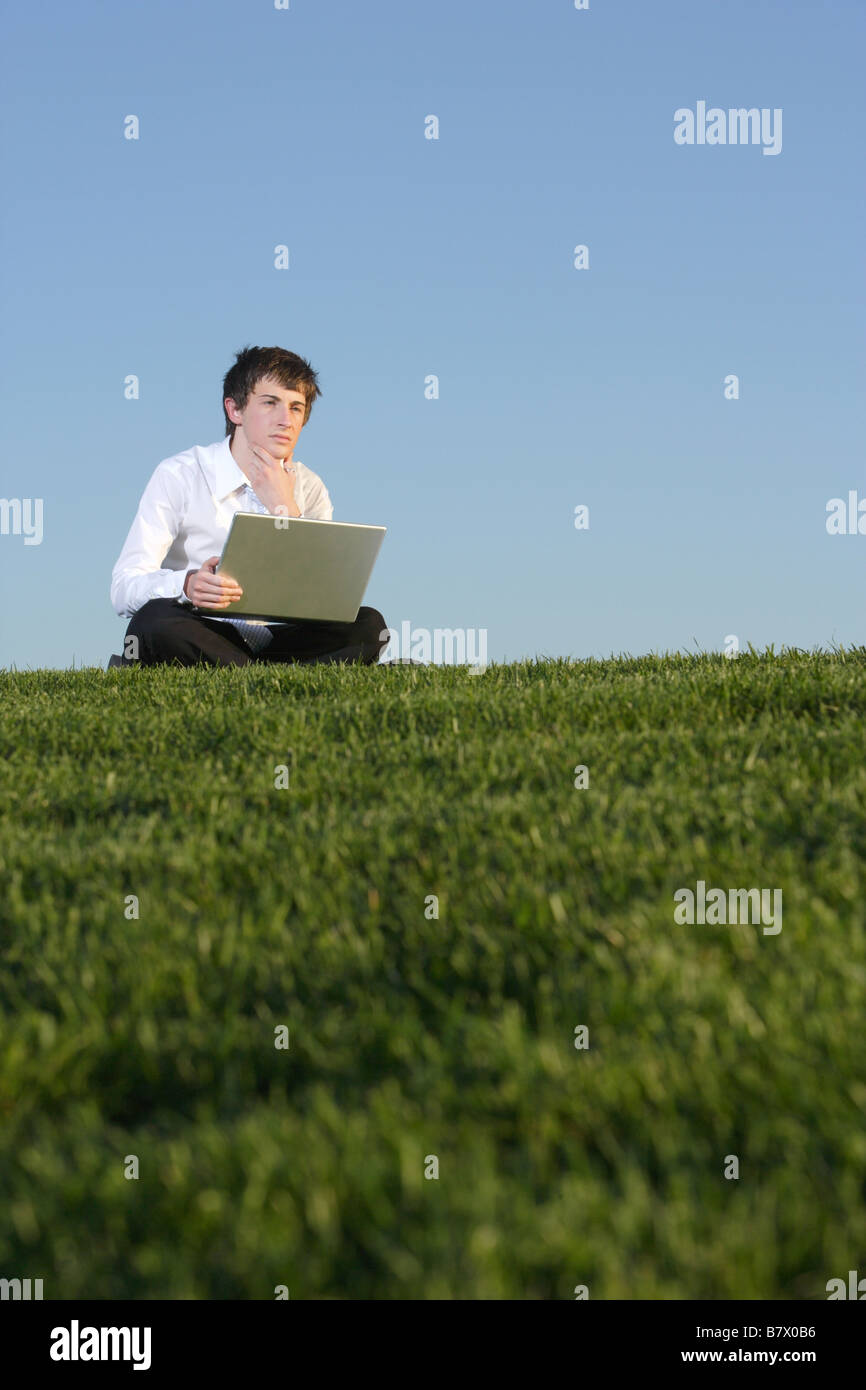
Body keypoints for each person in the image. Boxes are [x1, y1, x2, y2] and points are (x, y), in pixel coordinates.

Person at [110, 345, 388, 667]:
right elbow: (124, 587)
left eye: (296, 408)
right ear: (235, 411)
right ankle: (286, 678)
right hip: (205, 629)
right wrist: (186, 585)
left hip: (283, 637)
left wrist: (284, 506)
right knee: (152, 622)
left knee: (370, 624)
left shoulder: (310, 487)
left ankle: (252, 674)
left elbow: (323, 599)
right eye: (270, 403)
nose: (286, 420)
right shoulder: (180, 474)